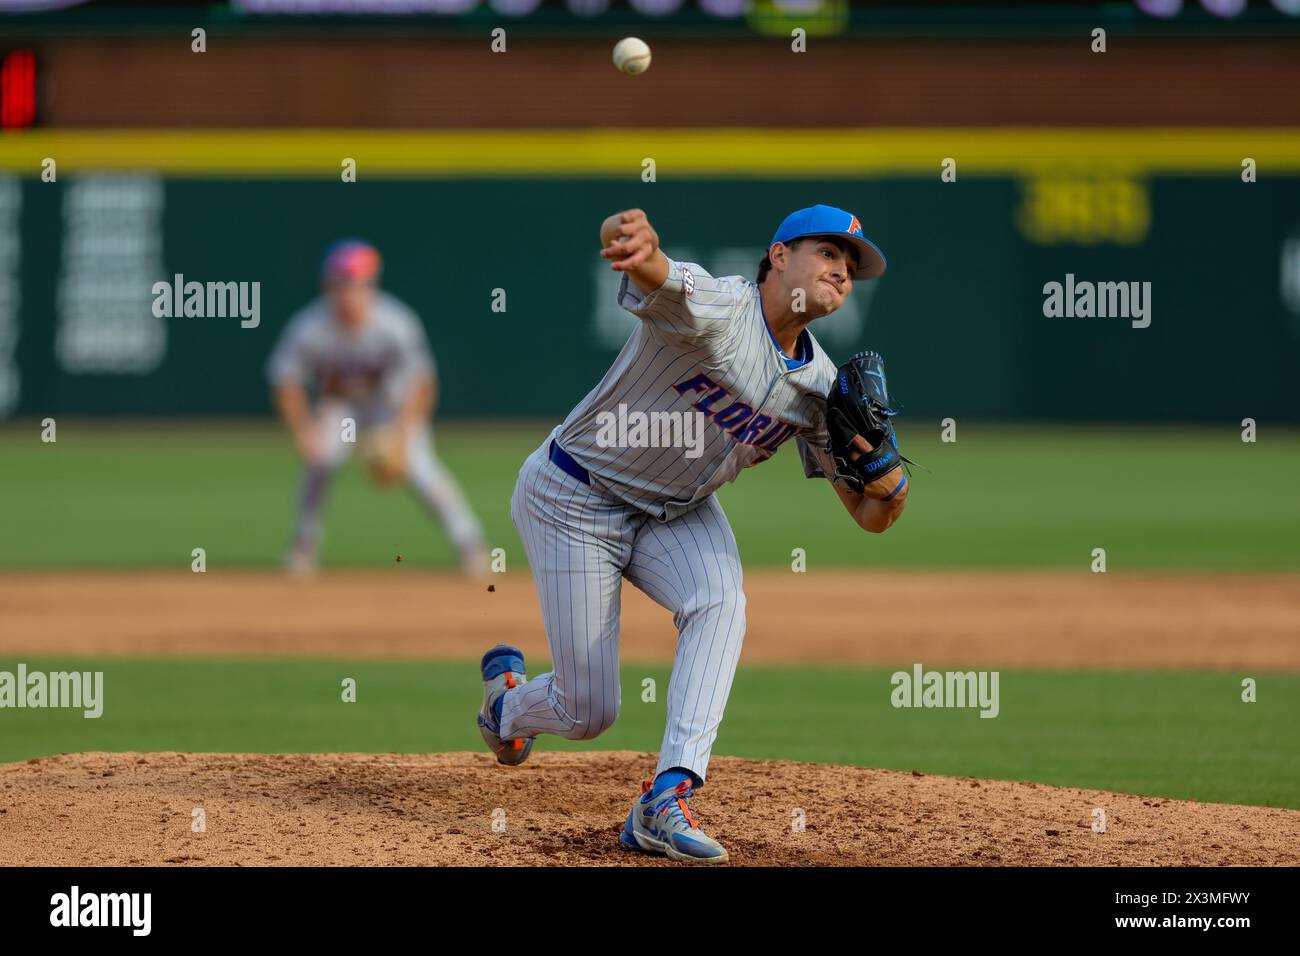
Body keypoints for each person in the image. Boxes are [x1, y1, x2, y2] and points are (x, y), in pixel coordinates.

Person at [476, 205, 909, 864]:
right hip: (574, 495)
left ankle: (666, 797)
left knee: (722, 602)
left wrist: (888, 479)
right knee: (588, 712)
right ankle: (507, 710)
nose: (841, 272)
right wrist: (628, 240)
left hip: (677, 509)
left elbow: (871, 517)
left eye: (851, 267)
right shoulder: (717, 305)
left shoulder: (820, 388)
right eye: (828, 253)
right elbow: (647, 269)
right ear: (778, 256)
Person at [266, 239, 488, 577]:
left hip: (391, 408)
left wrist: (404, 431)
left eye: (357, 284)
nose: (348, 293)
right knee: (320, 459)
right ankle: (303, 545)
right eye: (341, 284)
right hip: (344, 412)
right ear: (328, 286)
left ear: (371, 285)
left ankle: (470, 543)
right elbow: (285, 380)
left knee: (421, 468)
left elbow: (423, 382)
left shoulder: (395, 322)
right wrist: (303, 431)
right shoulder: (310, 326)